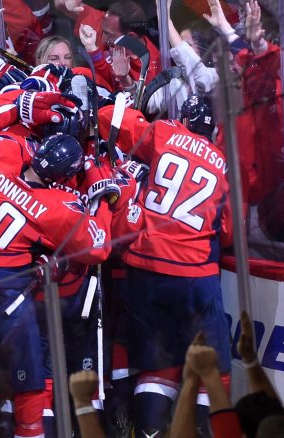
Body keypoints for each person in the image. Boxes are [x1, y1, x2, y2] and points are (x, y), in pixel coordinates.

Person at [0, 95, 109, 438]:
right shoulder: (57, 206)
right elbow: (99, 247)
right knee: (31, 386)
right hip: (4, 292)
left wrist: (22, 103)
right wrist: (102, 194)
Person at [96, 96, 233, 436]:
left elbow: (107, 118)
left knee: (158, 367)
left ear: (184, 119)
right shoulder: (223, 164)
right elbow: (229, 231)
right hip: (194, 273)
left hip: (145, 268)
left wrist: (124, 104)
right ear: (214, 130)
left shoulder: (163, 134)